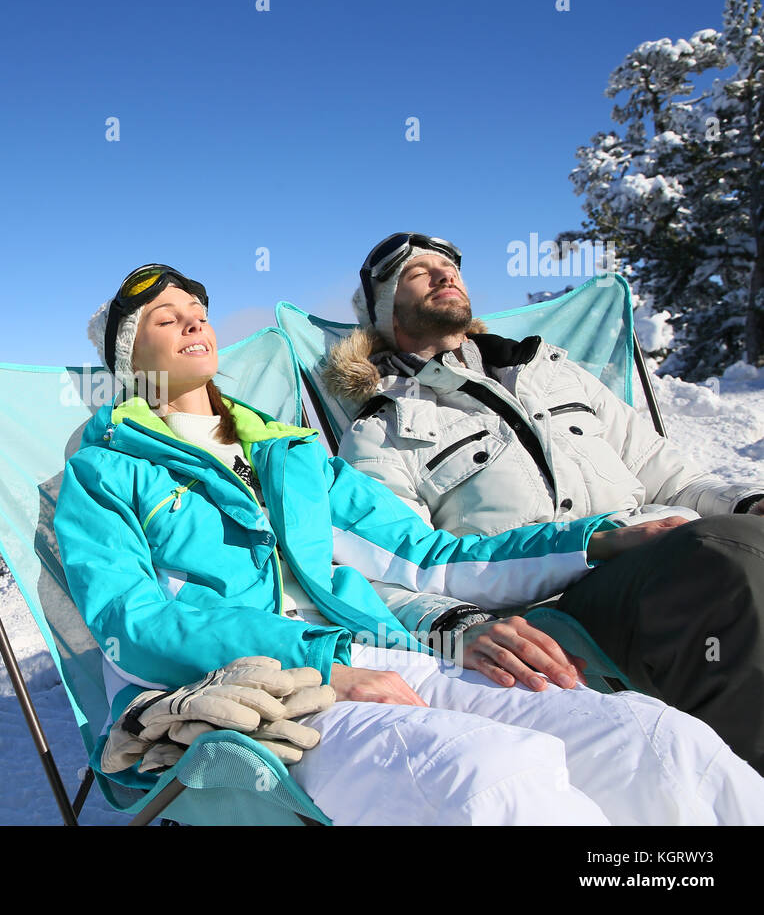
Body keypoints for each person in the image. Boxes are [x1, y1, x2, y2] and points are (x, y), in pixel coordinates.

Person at [52, 263, 764, 824]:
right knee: (494, 779)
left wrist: (598, 540)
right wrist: (321, 668)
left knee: (661, 745)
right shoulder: (104, 469)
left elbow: (430, 557)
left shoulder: (293, 455)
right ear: (128, 358)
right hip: (253, 695)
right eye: (165, 319)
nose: (194, 324)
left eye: (199, 314)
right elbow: (131, 622)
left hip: (384, 654)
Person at [325, 232, 764, 772]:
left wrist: (748, 504)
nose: (445, 275)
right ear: (385, 311)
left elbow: (666, 472)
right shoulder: (381, 430)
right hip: (557, 603)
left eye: (449, 266)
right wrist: (459, 624)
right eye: (419, 273)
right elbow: (388, 569)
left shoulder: (550, 371)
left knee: (739, 539)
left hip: (669, 548)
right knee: (726, 557)